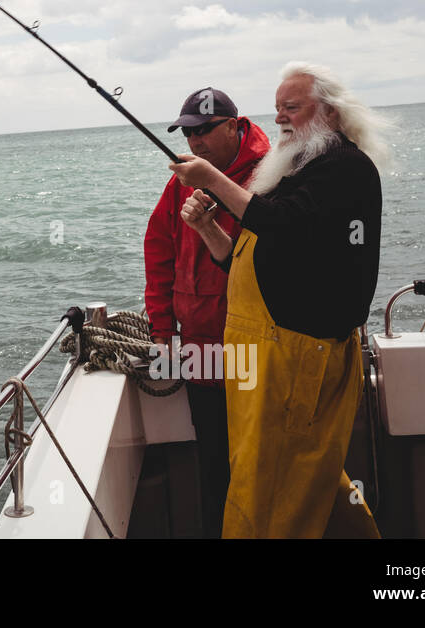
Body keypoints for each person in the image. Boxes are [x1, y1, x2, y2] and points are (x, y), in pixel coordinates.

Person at [168, 62, 389, 538]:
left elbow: (279, 223)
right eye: (277, 110)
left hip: (299, 355)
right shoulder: (299, 167)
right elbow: (253, 263)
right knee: (298, 475)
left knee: (272, 486)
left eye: (292, 107)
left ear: (329, 112)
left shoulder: (347, 169)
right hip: (264, 354)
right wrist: (208, 228)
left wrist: (211, 181)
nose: (281, 119)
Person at [144, 87, 269, 538]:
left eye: (205, 131)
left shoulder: (268, 178)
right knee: (214, 462)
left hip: (257, 349)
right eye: (188, 133)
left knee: (261, 461)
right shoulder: (181, 183)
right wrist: (162, 329)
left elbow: (275, 260)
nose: (195, 142)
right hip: (199, 351)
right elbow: (158, 251)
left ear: (235, 126)